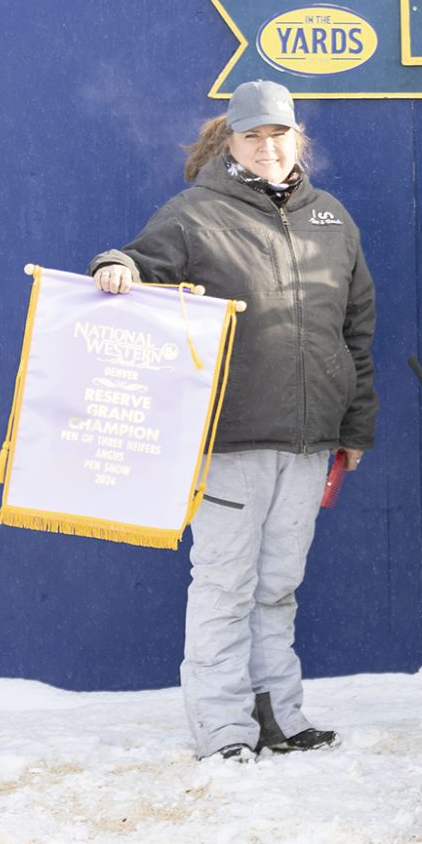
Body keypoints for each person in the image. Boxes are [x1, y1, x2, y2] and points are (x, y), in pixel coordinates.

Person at [87, 80, 376, 761]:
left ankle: (279, 715)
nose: (268, 147)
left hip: (310, 440)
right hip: (229, 438)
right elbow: (139, 260)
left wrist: (354, 428)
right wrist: (115, 267)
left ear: (296, 138)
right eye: (254, 136)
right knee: (225, 584)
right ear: (232, 142)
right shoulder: (195, 214)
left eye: (280, 134)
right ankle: (223, 728)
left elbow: (356, 329)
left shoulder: (331, 218)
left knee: (278, 586)